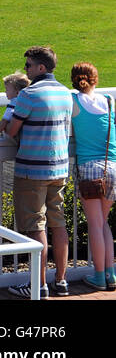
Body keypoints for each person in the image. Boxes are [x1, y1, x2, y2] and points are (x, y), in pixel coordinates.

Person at [2, 46, 72, 298]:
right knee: (58, 223)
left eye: (29, 66)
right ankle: (61, 281)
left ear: (41, 68)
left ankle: (38, 285)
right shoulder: (66, 93)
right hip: (60, 169)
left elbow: (11, 131)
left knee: (35, 227)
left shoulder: (29, 94)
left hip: (32, 171)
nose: (27, 71)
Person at [69, 62, 116, 291]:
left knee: (95, 225)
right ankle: (110, 273)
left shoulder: (74, 101)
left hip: (89, 168)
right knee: (103, 223)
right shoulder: (108, 100)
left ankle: (99, 275)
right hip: (113, 167)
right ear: (95, 79)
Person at [0, 72, 30, 147]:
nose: (5, 92)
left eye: (7, 89)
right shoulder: (27, 100)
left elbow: (5, 120)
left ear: (17, 92)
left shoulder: (14, 101)